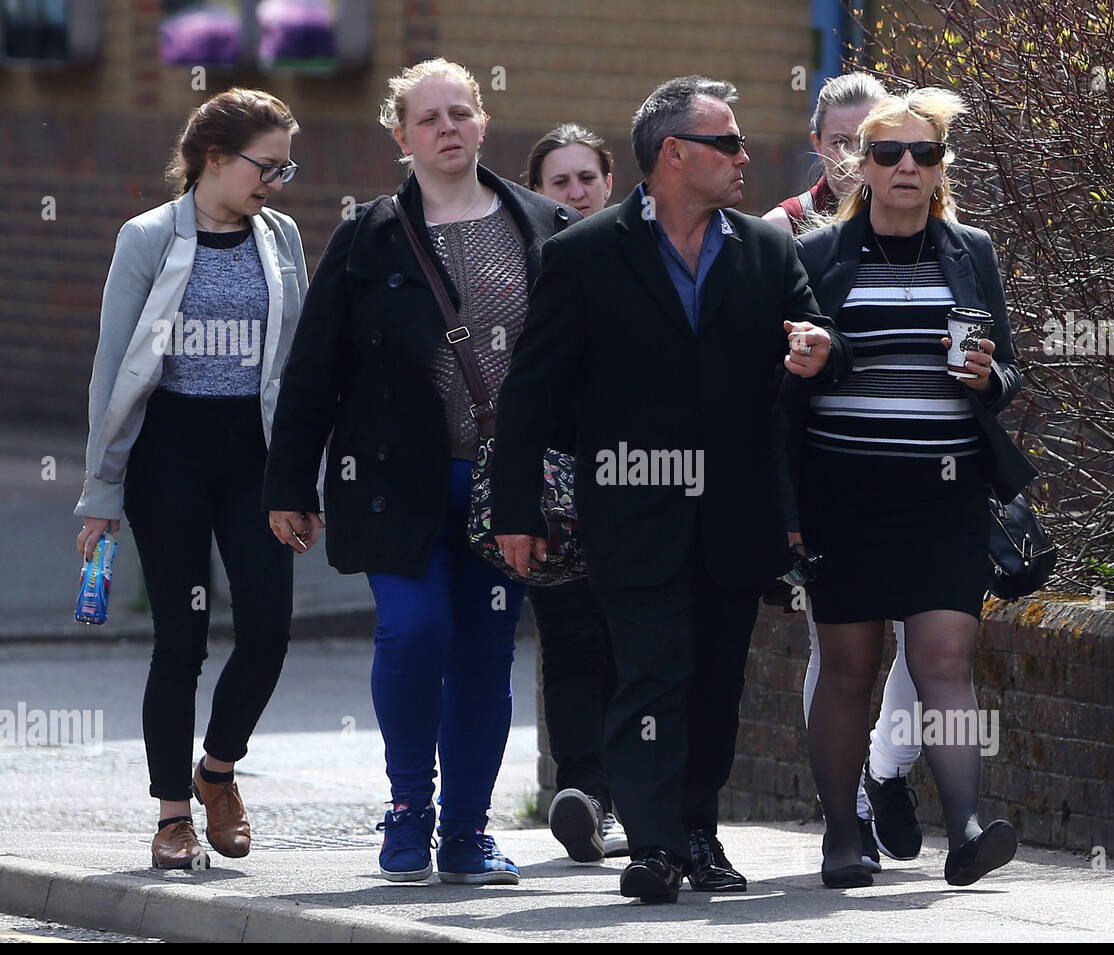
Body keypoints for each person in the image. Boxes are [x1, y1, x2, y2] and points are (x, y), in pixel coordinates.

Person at [491, 75, 849, 903]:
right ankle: (651, 843)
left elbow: (818, 334)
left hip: (736, 510)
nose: (744, 156)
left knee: (716, 680)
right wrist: (516, 508)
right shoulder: (581, 255)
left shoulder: (766, 248)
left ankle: (699, 831)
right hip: (631, 508)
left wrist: (818, 349)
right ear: (675, 154)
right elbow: (531, 391)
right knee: (651, 672)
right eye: (727, 142)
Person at [261, 59, 579, 885]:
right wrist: (290, 483)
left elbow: (584, 362)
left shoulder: (543, 224)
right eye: (427, 118)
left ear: (482, 123)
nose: (446, 129)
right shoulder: (366, 235)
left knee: (484, 651)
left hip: (505, 488)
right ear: (400, 136)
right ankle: (409, 809)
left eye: (460, 113)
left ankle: (468, 833)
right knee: (414, 627)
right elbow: (314, 367)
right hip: (391, 480)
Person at [790, 87, 1037, 887]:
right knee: (849, 665)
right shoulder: (819, 255)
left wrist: (985, 374)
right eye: (888, 153)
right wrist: (815, 362)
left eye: (922, 155)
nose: (906, 167)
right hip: (845, 492)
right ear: (857, 165)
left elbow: (1007, 372)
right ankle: (840, 835)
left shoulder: (971, 250)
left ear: (940, 169)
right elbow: (779, 377)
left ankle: (965, 825)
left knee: (946, 654)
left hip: (946, 492)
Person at [75, 88, 306, 871]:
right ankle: (174, 813)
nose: (276, 181)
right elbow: (115, 366)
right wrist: (100, 496)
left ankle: (219, 769)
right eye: (265, 165)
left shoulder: (281, 238)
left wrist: (298, 480)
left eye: (285, 166)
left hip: (256, 457)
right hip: (167, 454)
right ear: (215, 159)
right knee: (181, 638)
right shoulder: (146, 238)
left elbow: (298, 366)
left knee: (269, 627)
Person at [765, 72, 926, 872]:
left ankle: (888, 768)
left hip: (922, 470)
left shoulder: (935, 228)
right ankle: (851, 809)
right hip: (827, 470)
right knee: (839, 653)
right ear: (822, 147)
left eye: (885, 142)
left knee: (931, 641)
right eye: (849, 143)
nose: (866, 158)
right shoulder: (786, 230)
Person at [521, 124, 627, 861]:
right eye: (559, 181)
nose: (575, 192)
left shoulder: (640, 257)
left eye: (586, 177)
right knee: (567, 638)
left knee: (627, 641)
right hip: (555, 481)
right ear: (537, 191)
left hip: (638, 482)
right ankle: (581, 790)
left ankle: (613, 795)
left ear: (608, 183)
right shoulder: (524, 267)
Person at [762, 71, 888, 235]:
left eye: (867, 141)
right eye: (840, 142)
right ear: (818, 145)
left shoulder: (917, 220)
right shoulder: (784, 226)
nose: (854, 157)